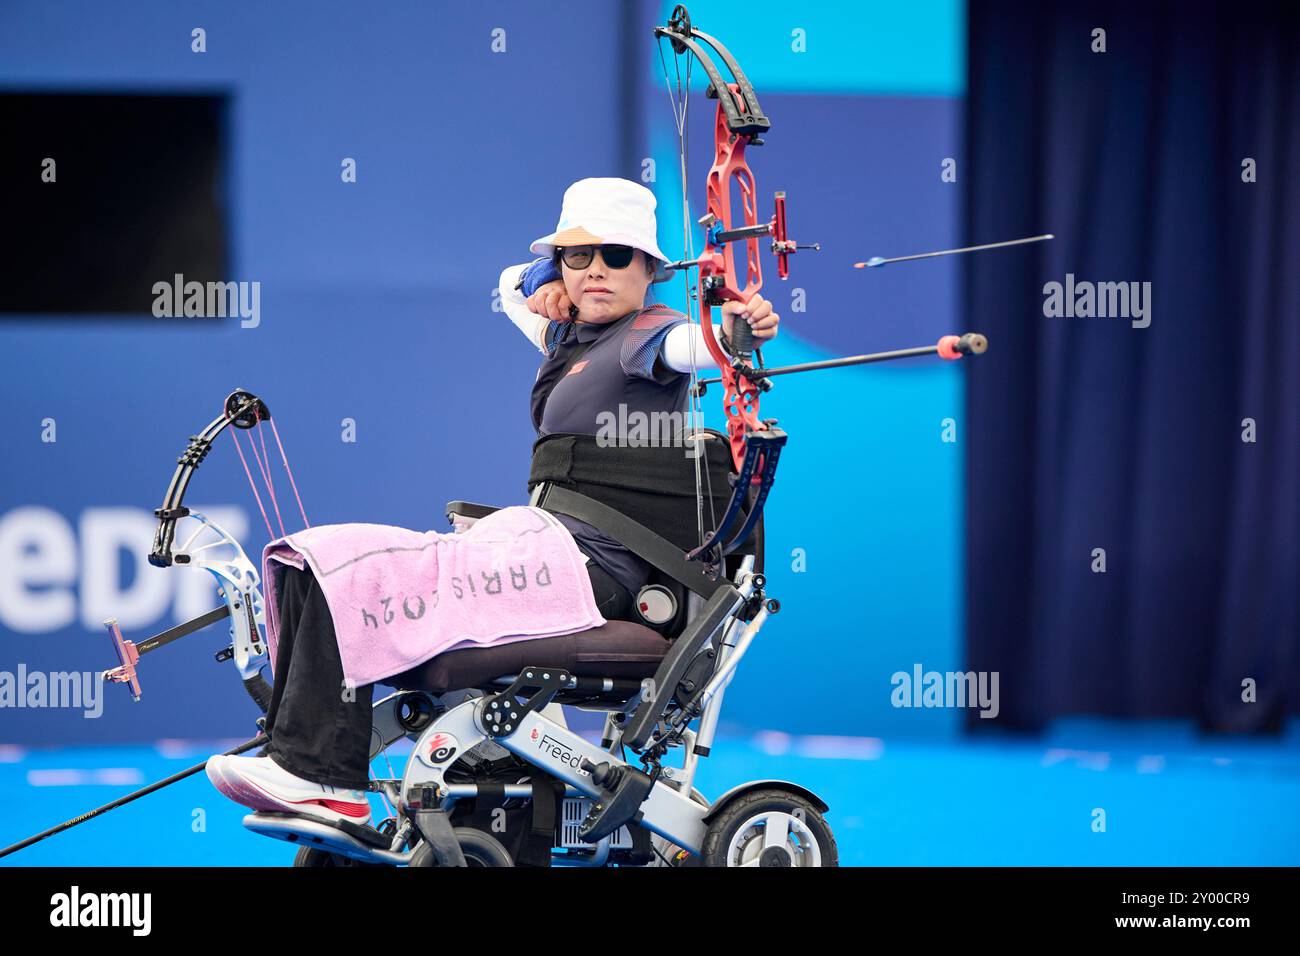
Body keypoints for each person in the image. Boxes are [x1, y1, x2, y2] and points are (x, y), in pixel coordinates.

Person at [205, 177, 780, 824]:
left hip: (591, 573)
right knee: (321, 555)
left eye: (616, 256)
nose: (595, 271)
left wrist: (736, 329)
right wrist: (549, 274)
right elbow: (511, 286)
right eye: (578, 256)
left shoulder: (654, 335)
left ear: (650, 267)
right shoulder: (566, 339)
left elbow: (703, 345)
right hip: (543, 548)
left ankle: (317, 776)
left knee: (355, 567)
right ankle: (311, 767)